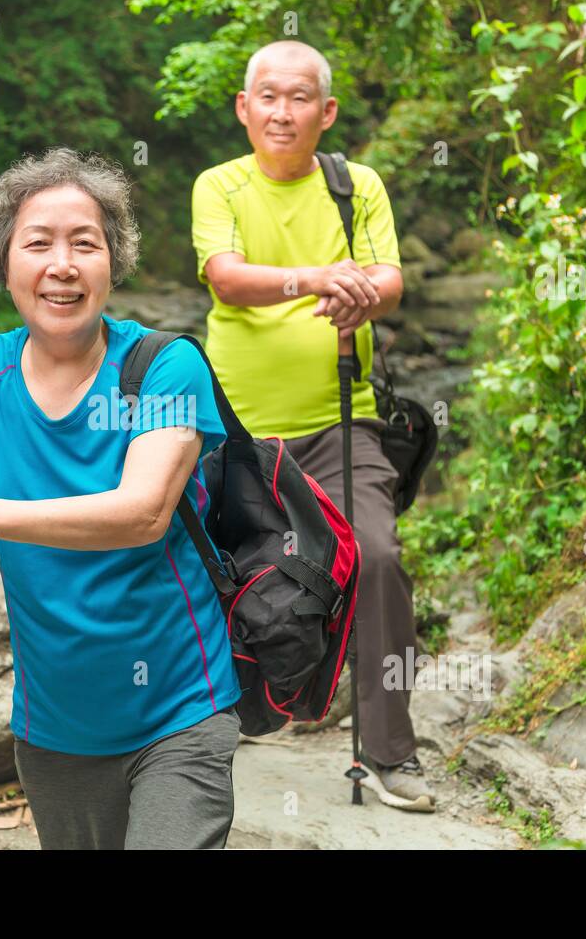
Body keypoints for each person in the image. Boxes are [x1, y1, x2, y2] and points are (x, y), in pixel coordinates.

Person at [0, 146, 243, 849]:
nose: (62, 265)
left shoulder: (165, 366)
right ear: (5, 265)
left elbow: (142, 514)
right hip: (55, 728)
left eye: (86, 244)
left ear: (113, 261)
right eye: (37, 243)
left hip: (180, 708)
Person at [190, 40, 435, 812]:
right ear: (243, 107)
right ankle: (189, 735)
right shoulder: (219, 185)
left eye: (300, 98)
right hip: (238, 434)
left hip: (344, 419)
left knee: (380, 557)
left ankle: (390, 754)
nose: (282, 111)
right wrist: (316, 278)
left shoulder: (355, 187)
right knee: (203, 570)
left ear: (325, 112)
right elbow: (226, 278)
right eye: (267, 96)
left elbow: (390, 279)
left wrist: (365, 294)